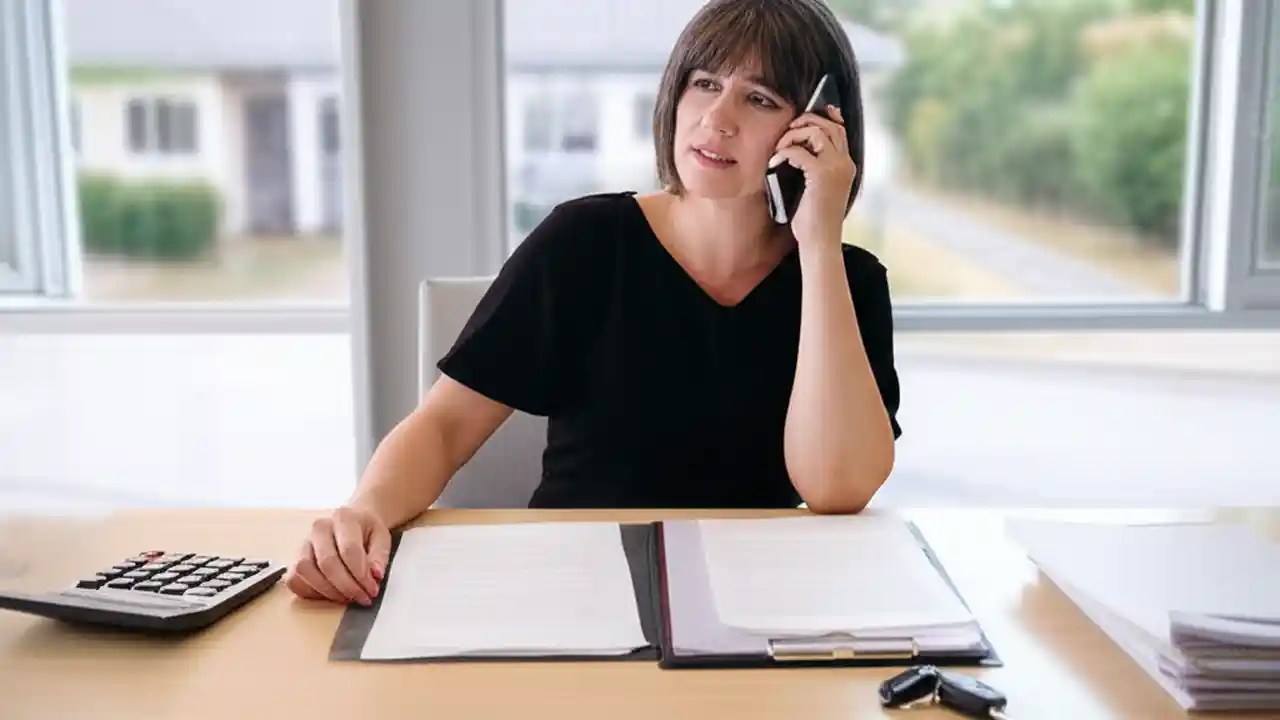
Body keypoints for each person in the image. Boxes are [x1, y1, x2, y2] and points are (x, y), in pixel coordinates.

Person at [286, 0, 902, 606]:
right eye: (704, 83)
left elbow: (836, 488)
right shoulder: (584, 243)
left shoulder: (848, 284)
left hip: (755, 603)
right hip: (573, 589)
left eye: (760, 98)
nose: (717, 118)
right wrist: (365, 511)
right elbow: (444, 427)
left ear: (819, 127)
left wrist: (817, 243)